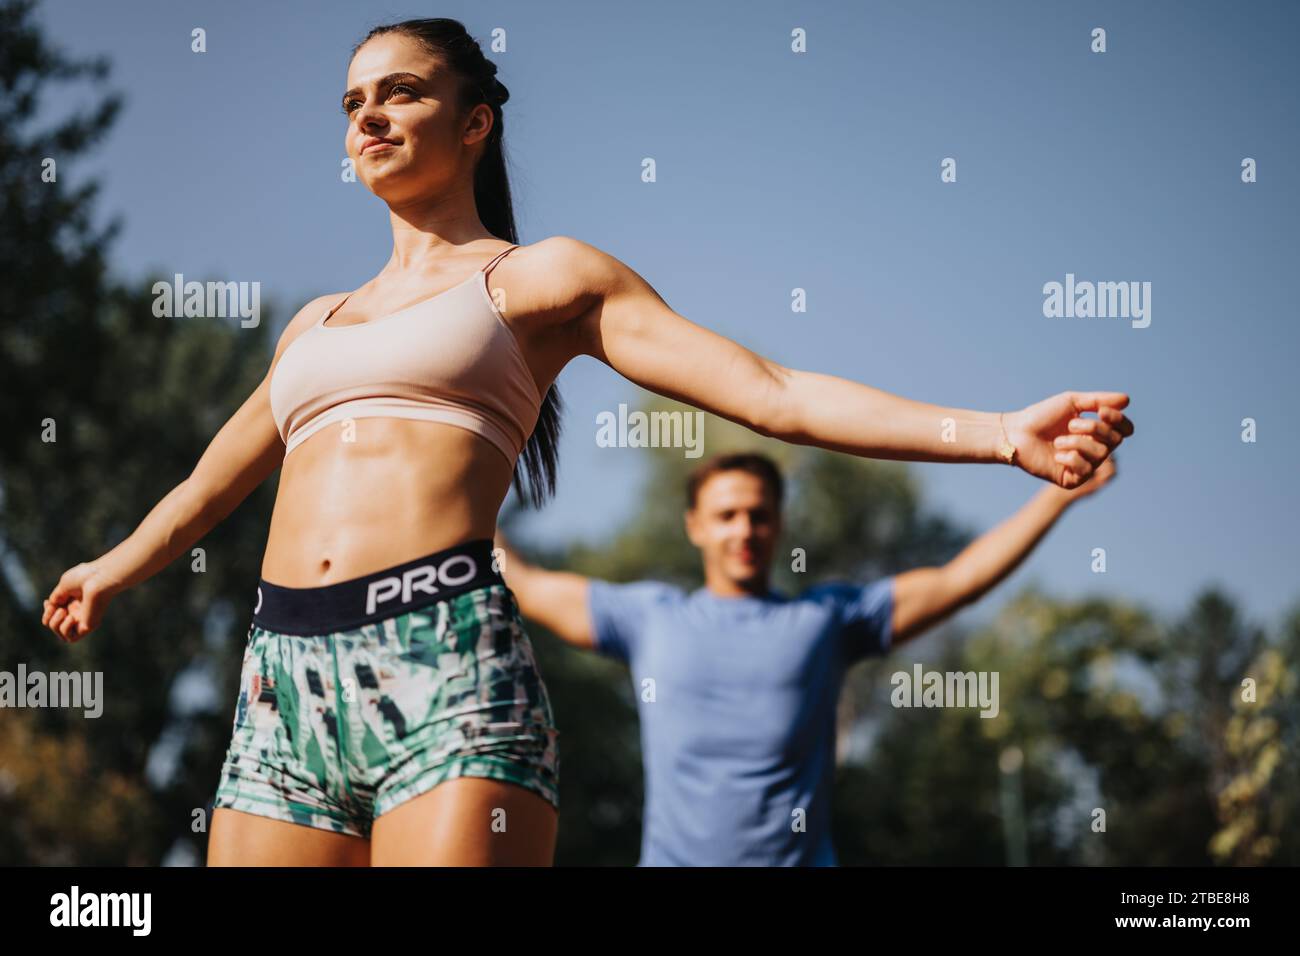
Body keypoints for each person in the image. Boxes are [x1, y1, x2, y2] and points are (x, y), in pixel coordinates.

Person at [39, 17, 1133, 867]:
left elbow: (774, 392)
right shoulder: (311, 326)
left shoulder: (540, 278)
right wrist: (112, 566)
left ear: (475, 122)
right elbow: (208, 482)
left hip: (444, 662)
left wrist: (996, 433)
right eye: (353, 103)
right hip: (283, 676)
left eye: (402, 93)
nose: (368, 119)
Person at [495, 452, 1119, 865]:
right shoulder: (648, 618)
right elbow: (520, 579)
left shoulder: (826, 620)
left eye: (759, 515)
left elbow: (957, 580)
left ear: (778, 526)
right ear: (695, 526)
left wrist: (1056, 500)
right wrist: (444, 479)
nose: (744, 529)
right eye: (727, 515)